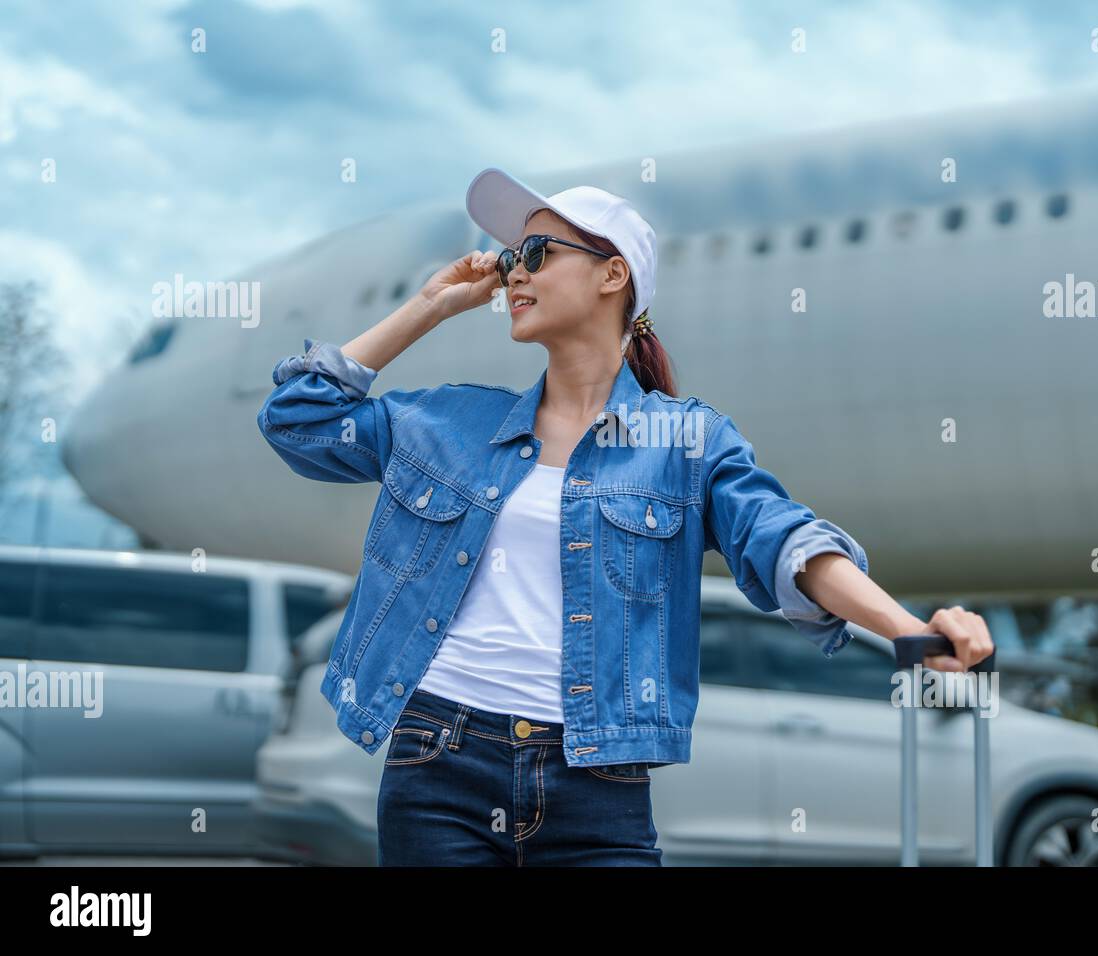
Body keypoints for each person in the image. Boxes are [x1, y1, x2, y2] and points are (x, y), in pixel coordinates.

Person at [257, 166, 993, 866]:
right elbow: (299, 418)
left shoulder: (688, 443)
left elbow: (783, 540)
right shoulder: (449, 422)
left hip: (596, 781)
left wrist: (910, 631)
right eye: (513, 255)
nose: (516, 271)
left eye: (539, 253)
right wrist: (431, 306)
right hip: (438, 757)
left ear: (614, 276)